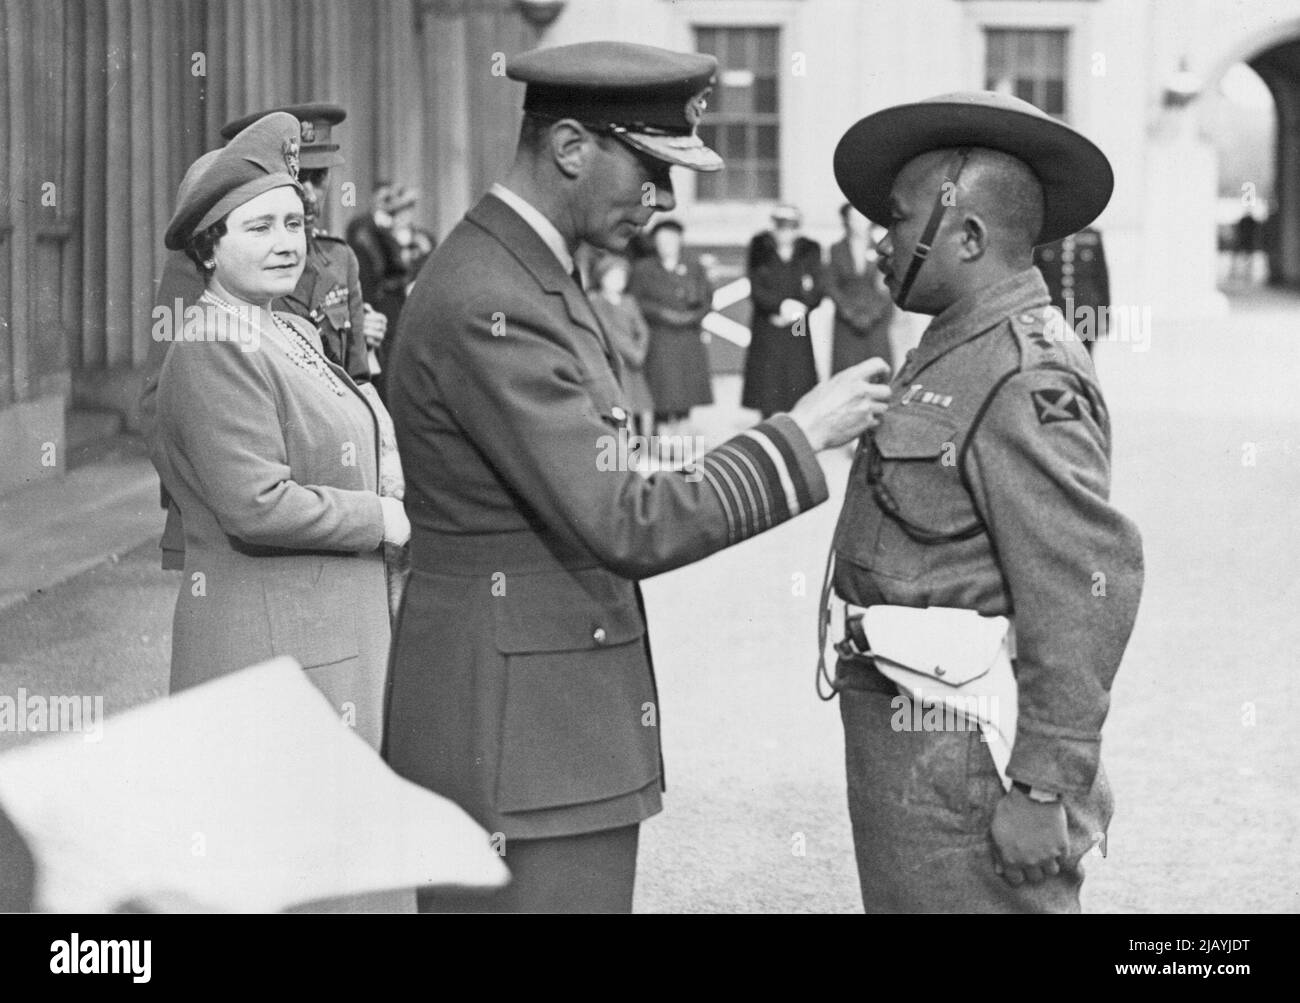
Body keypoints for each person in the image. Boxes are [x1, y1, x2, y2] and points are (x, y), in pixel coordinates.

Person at [384, 40, 891, 914]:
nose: (661, 203)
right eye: (651, 169)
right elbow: (621, 516)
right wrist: (796, 438)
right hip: (520, 735)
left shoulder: (527, 270)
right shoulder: (491, 299)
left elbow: (595, 460)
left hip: (539, 720)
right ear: (572, 147)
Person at [826, 91, 1144, 912]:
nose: (880, 241)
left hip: (964, 753)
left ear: (966, 236)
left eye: (896, 220)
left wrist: (1043, 788)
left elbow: (1083, 582)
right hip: (914, 736)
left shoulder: (1023, 369)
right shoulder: (957, 344)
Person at [151, 113, 409, 750]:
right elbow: (257, 504)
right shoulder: (215, 343)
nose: (287, 243)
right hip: (271, 660)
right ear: (210, 248)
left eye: (293, 223)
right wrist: (383, 516)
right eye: (260, 227)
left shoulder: (286, 328)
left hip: (321, 647)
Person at [138, 103, 388, 571]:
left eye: (318, 178)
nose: (311, 194)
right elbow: (160, 397)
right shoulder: (201, 265)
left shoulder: (336, 258)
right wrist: (204, 500)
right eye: (303, 177)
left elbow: (353, 377)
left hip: (329, 502)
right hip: (240, 509)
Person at [629, 218, 713, 435]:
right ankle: (662, 435)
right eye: (661, 240)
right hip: (660, 336)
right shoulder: (643, 269)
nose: (666, 245)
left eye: (671, 240)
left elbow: (706, 298)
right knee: (663, 389)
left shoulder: (694, 267)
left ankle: (682, 436)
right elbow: (636, 301)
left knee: (687, 390)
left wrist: (691, 317)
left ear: (679, 241)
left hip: (688, 336)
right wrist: (662, 314)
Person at [742, 205, 825, 417]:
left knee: (797, 368)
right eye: (781, 227)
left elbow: (817, 286)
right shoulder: (761, 249)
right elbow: (756, 287)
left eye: (790, 228)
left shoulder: (809, 250)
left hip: (798, 320)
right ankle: (768, 422)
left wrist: (800, 307)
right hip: (769, 321)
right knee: (768, 375)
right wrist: (779, 306)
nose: (785, 233)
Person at [347, 182, 412, 393]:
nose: (388, 204)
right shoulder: (363, 227)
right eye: (384, 198)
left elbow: (398, 268)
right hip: (374, 300)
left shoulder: (391, 229)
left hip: (391, 304)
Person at [588, 253, 656, 435]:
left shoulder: (629, 301)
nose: (617, 281)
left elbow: (642, 329)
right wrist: (629, 352)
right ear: (601, 277)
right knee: (623, 407)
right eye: (612, 276)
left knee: (644, 405)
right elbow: (607, 332)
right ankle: (628, 446)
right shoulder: (595, 302)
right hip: (615, 363)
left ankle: (646, 444)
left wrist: (640, 351)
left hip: (634, 364)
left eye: (621, 276)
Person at [827, 203, 895, 375]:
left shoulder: (882, 250)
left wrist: (871, 315)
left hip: (875, 322)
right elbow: (831, 285)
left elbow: (887, 286)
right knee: (847, 372)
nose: (858, 224)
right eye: (853, 219)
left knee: (876, 372)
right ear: (847, 221)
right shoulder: (836, 250)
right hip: (847, 323)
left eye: (862, 219)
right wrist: (849, 313)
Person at [1034, 225, 1110, 355]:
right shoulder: (1044, 238)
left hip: (1085, 312)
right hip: (1053, 311)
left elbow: (1101, 279)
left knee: (1085, 357)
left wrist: (1104, 316)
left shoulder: (1092, 236)